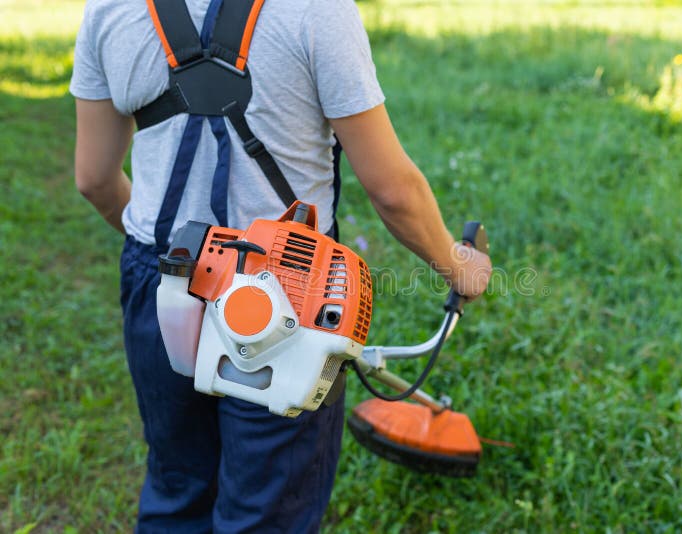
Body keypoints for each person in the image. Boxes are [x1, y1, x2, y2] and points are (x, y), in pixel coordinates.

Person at [70, 0, 491, 531]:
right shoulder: (318, 11)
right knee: (269, 508)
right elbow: (391, 191)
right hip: (291, 288)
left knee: (177, 484)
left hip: (161, 274)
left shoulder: (109, 10)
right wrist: (459, 266)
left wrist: (174, 262)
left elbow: (93, 179)